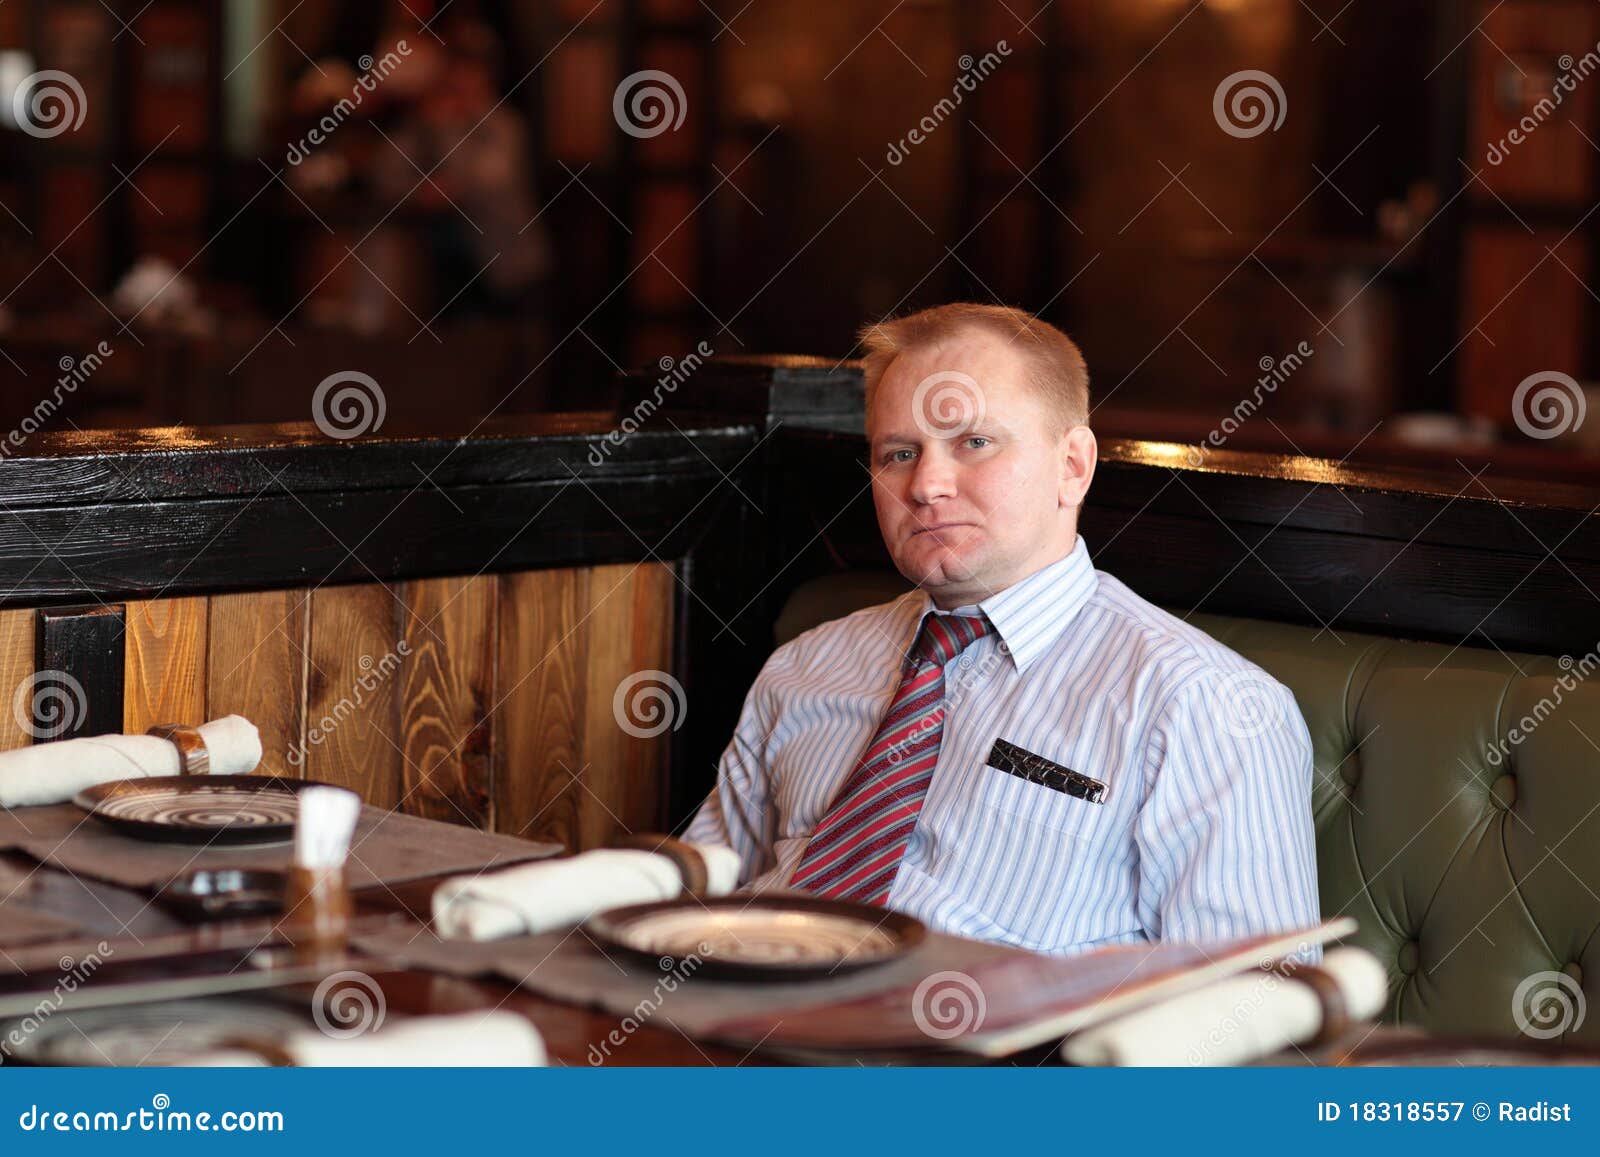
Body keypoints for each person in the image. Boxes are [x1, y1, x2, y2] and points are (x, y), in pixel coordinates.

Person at [683, 302, 1321, 957]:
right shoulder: (805, 667)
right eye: (899, 453)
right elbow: (691, 909)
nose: (926, 485)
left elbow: (1252, 1005)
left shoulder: (1204, 705)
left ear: (1072, 466)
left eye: (974, 443)